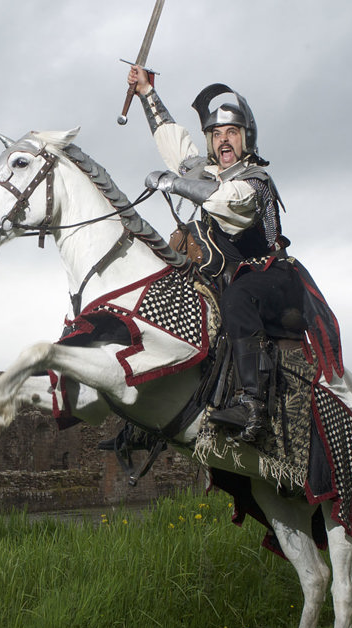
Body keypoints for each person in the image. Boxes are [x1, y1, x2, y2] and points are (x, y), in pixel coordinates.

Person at [127, 64, 303, 444]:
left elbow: (228, 202)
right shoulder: (209, 171)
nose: (224, 141)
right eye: (216, 134)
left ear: (246, 138)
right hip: (231, 274)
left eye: (232, 133)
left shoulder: (254, 180)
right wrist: (146, 93)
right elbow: (176, 144)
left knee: (239, 295)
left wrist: (173, 183)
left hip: (271, 276)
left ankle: (252, 405)